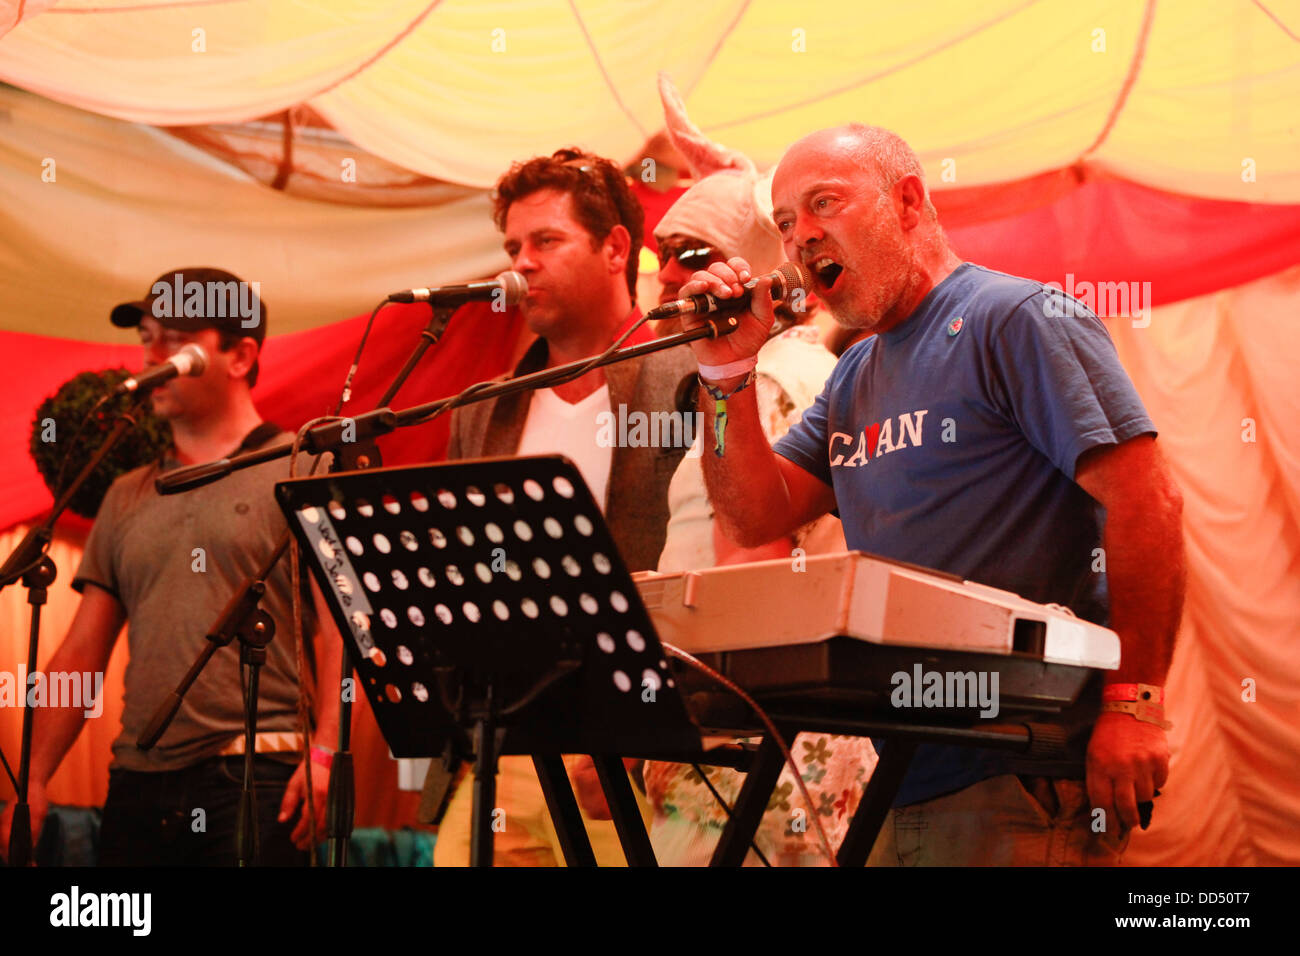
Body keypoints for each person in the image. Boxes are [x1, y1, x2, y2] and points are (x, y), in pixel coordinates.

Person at [677, 125, 1186, 866]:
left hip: (1018, 764)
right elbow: (755, 512)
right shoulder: (856, 375)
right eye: (785, 223)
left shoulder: (1015, 320)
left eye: (824, 203)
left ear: (908, 201)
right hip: (908, 770)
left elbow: (1148, 504)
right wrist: (725, 377)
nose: (800, 236)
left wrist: (1135, 704)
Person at [1, 267, 339, 866]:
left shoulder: (303, 465)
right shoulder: (125, 494)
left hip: (258, 776)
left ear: (240, 356)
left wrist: (326, 756)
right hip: (136, 783)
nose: (151, 354)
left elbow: (346, 632)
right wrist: (32, 779)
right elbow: (82, 650)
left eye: (174, 337)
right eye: (147, 337)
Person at [425, 149, 697, 866]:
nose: (521, 265)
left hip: (632, 742)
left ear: (616, 248)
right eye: (514, 247)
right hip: (506, 745)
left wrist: (652, 732)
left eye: (547, 241)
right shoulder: (483, 410)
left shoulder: (691, 379)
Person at [644, 75, 875, 866]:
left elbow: (753, 595)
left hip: (747, 757)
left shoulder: (767, 380)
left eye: (691, 257)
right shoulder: (790, 364)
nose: (668, 277)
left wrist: (661, 729)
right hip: (775, 751)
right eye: (663, 256)